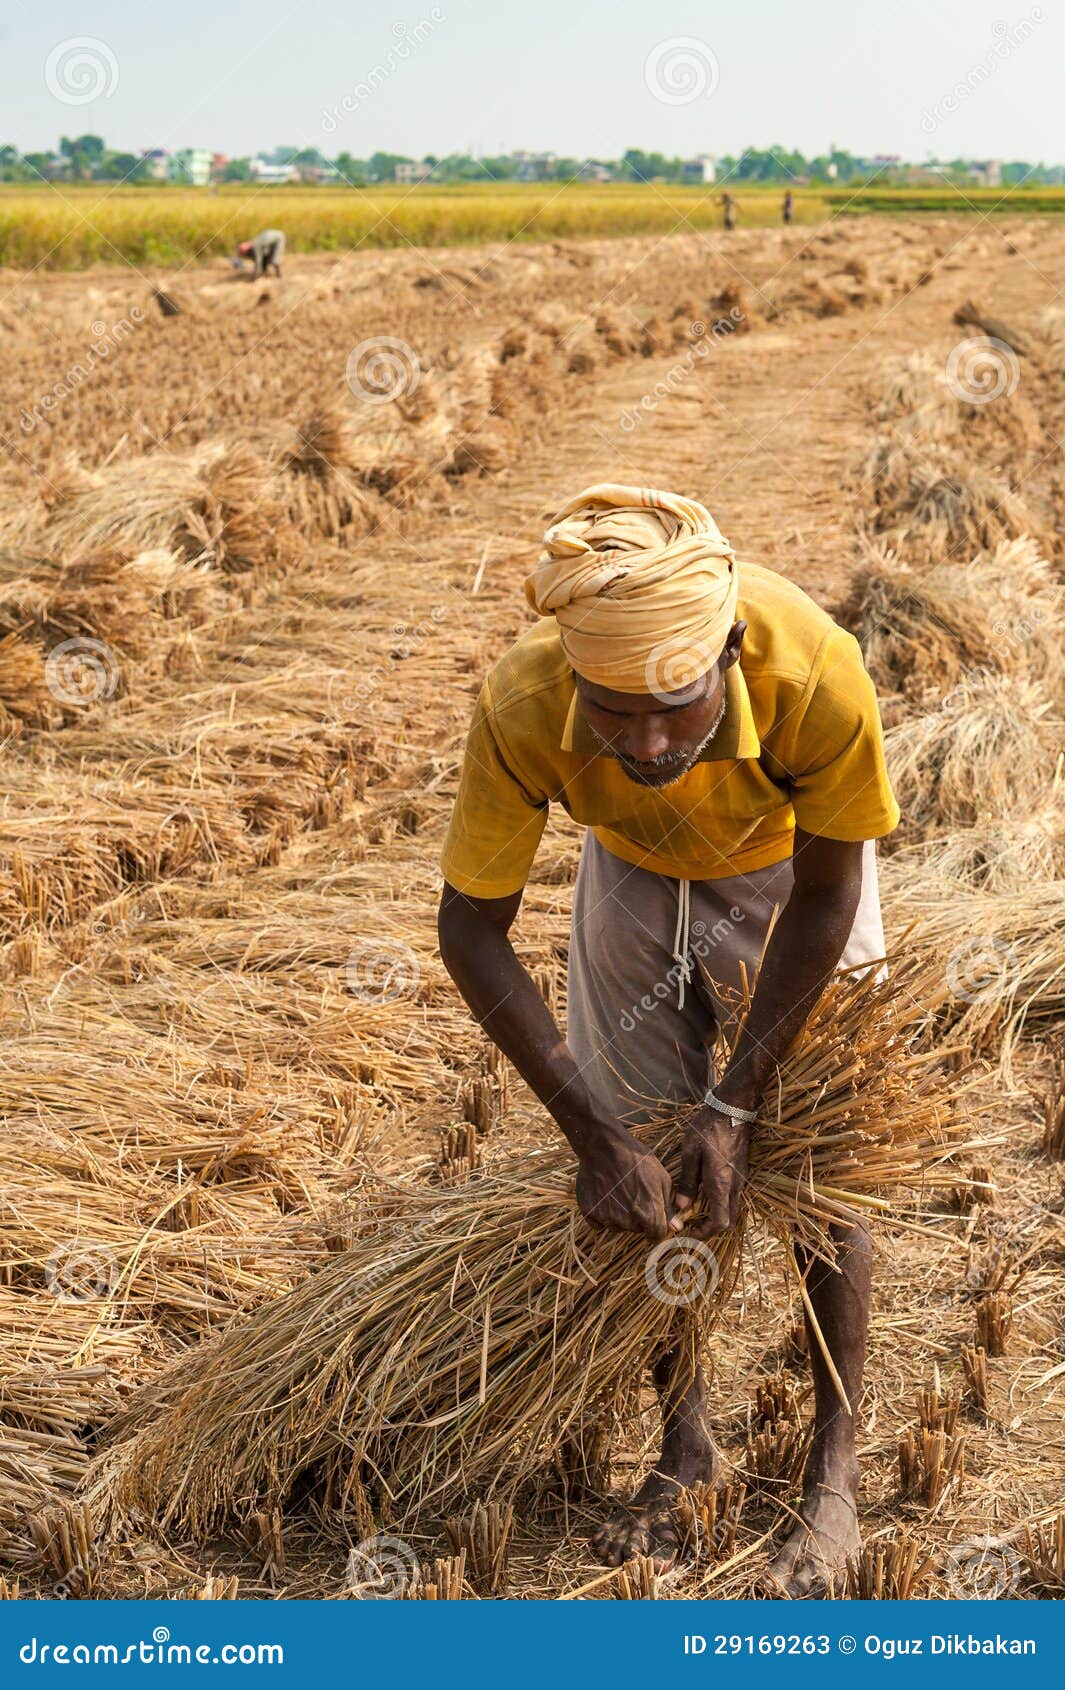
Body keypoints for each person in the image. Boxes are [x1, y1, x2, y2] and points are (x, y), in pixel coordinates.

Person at [438, 484, 899, 1596]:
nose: (647, 742)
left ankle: (831, 1471)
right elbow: (469, 924)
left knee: (825, 1165)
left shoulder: (817, 671)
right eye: (614, 712)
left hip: (790, 875)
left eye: (677, 707)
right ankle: (683, 1442)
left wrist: (737, 1103)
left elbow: (831, 891)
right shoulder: (526, 700)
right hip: (633, 875)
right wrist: (593, 1131)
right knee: (642, 1162)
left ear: (732, 653)